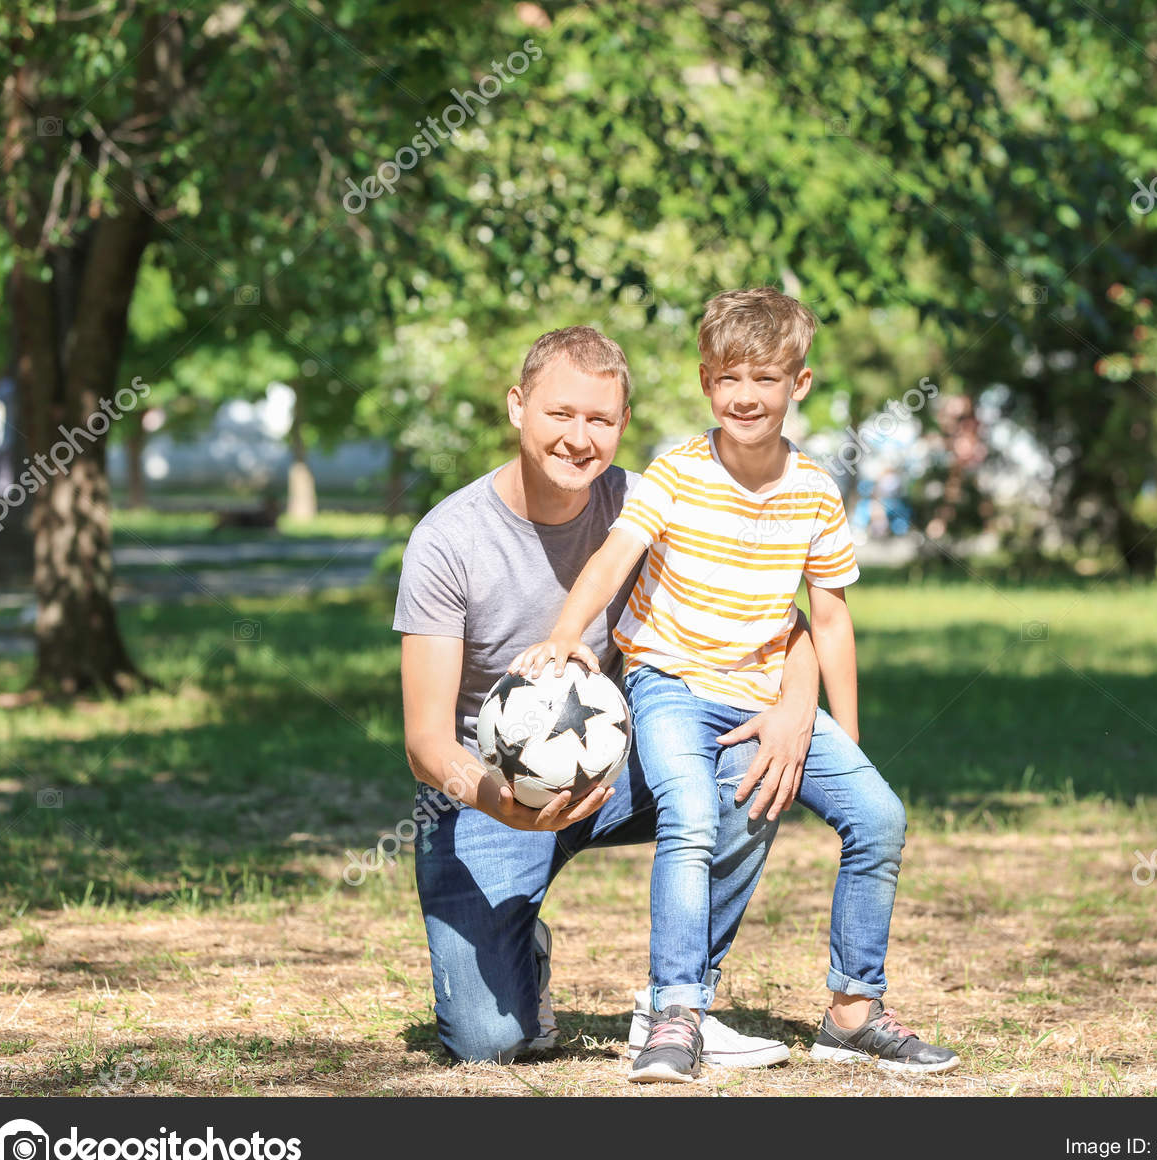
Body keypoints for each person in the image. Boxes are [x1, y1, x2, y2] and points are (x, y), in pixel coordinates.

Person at [512, 288, 960, 1081]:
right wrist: (563, 637)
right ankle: (675, 1011)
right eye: (726, 378)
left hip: (764, 694)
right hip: (670, 683)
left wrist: (842, 735)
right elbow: (613, 559)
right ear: (704, 381)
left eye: (764, 377)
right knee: (691, 811)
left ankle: (852, 1010)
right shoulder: (677, 472)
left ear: (802, 383)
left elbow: (828, 623)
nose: (744, 395)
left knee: (880, 816)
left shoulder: (817, 491)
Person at [395, 325, 824, 1067]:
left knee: (754, 761)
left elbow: (778, 616)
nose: (577, 437)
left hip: (623, 765)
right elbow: (426, 742)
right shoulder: (448, 540)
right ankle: (521, 946)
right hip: (487, 794)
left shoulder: (647, 501)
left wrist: (795, 706)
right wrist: (503, 799)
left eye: (599, 419)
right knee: (490, 1044)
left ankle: (678, 1004)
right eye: (560, 413)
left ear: (623, 426)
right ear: (517, 407)